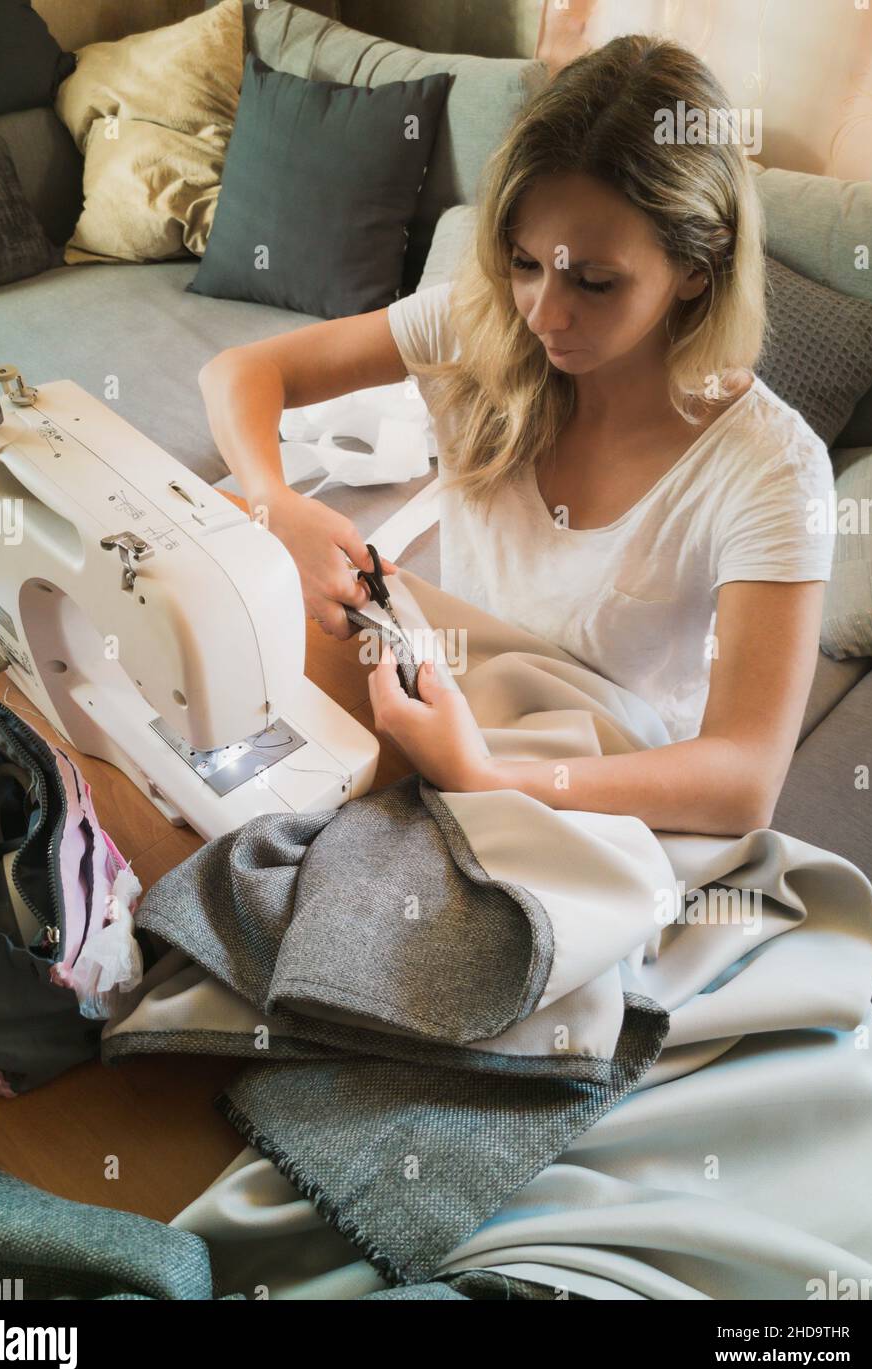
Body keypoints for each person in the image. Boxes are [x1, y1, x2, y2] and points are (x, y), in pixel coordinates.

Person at [198, 35, 835, 837]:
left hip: (603, 789)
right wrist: (272, 501)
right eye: (525, 261)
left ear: (698, 270)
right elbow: (240, 374)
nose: (542, 313)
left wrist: (485, 776)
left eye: (594, 282)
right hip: (450, 701)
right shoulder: (482, 324)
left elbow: (744, 779)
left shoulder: (773, 471)